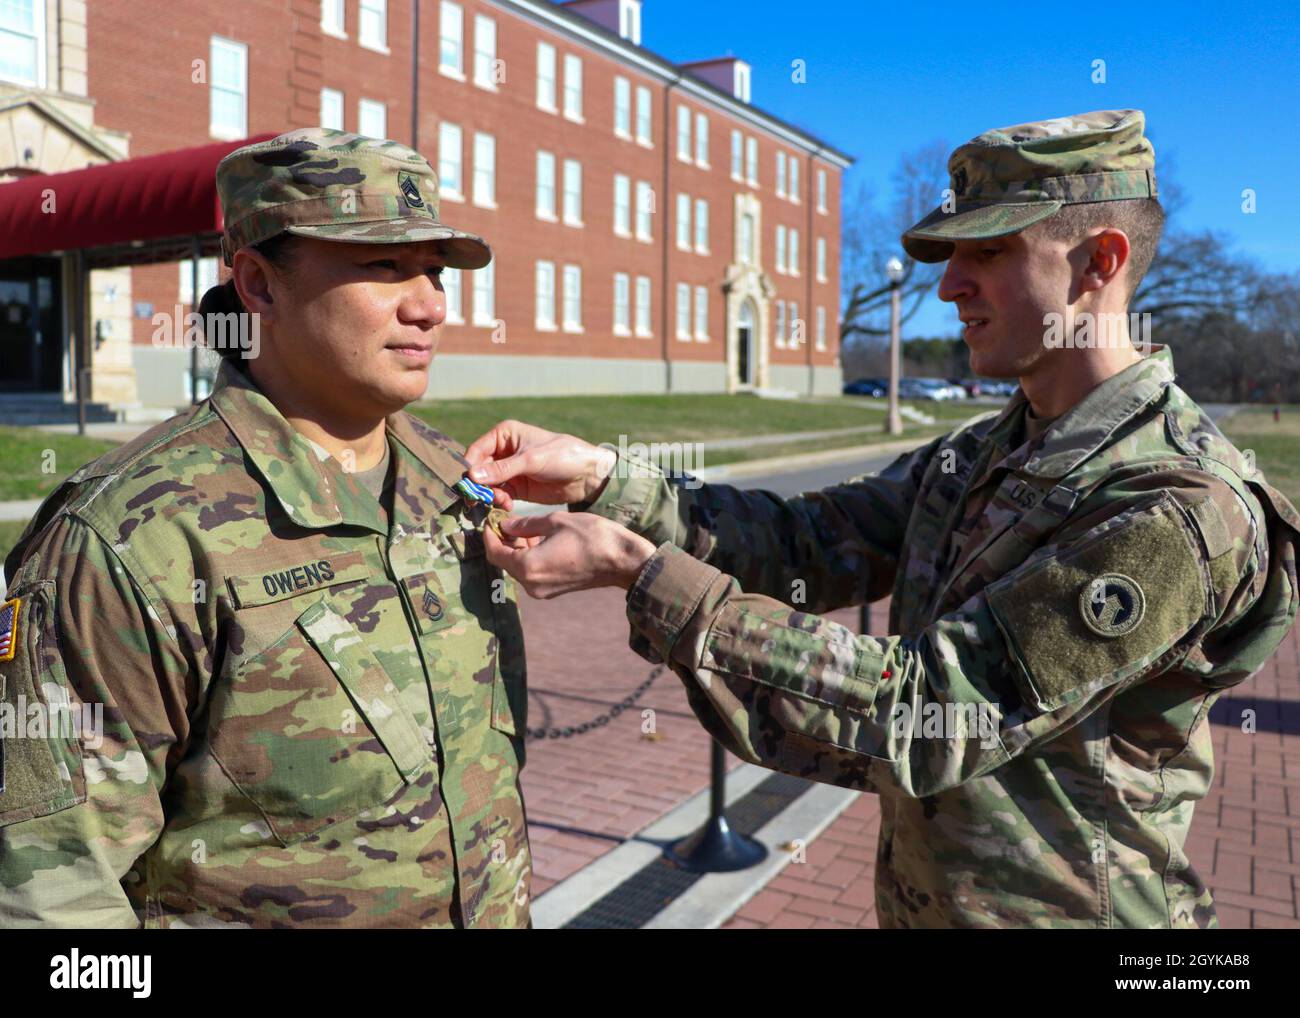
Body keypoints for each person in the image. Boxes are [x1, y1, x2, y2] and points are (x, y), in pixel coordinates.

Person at [466, 110, 1300, 928]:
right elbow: (801, 543)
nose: (949, 285)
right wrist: (605, 479)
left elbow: (929, 711)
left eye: (989, 251)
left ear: (1098, 262)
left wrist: (645, 576)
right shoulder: (978, 452)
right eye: (950, 254)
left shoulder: (1178, 505)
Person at [0, 128, 531, 928]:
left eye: (434, 270)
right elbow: (50, 899)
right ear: (259, 285)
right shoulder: (130, 536)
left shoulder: (452, 483)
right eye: (384, 266)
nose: (428, 305)